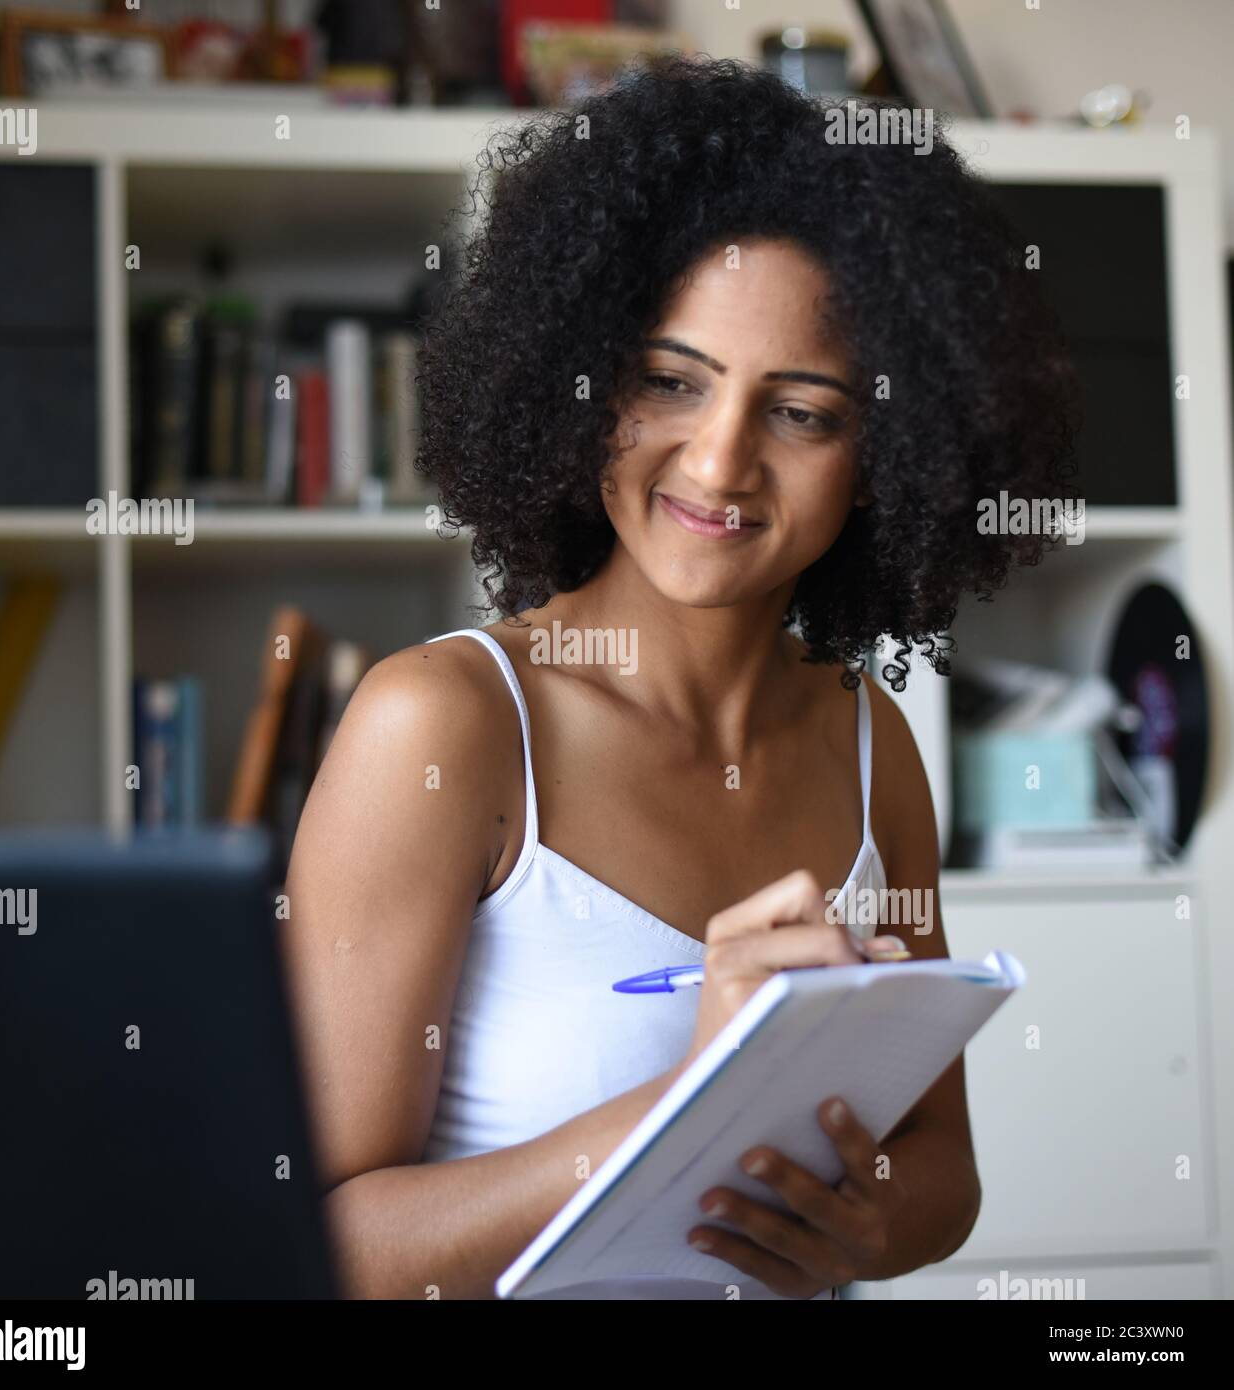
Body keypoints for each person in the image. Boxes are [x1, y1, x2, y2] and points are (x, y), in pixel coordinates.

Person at [284, 55, 1080, 1300]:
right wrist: (688, 1106)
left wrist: (865, 1225)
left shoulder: (870, 748)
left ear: (886, 454)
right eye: (669, 381)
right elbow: (314, 1249)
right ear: (582, 380)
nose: (717, 463)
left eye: (802, 412)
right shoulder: (443, 728)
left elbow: (942, 1175)